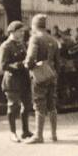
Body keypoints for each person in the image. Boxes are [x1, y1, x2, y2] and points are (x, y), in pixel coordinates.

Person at [23, 13, 61, 143]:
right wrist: (55, 74)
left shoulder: (35, 38)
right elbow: (58, 62)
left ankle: (39, 135)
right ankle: (54, 134)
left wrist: (27, 65)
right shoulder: (53, 39)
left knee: (39, 104)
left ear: (34, 25)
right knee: (52, 105)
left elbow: (30, 58)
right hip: (52, 74)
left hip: (39, 75)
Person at [0, 20, 32, 143]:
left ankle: (25, 131)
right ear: (11, 32)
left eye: (23, 31)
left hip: (24, 80)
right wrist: (20, 65)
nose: (22, 33)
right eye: (19, 31)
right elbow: (3, 65)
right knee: (13, 107)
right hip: (12, 81)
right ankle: (12, 132)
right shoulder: (5, 46)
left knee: (27, 106)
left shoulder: (22, 44)